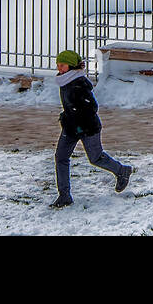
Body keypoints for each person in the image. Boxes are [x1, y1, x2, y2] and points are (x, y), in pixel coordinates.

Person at [51, 49, 132, 208]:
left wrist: (79, 120)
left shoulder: (79, 83)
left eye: (63, 65)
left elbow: (92, 107)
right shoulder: (64, 80)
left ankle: (122, 171)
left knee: (95, 158)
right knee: (61, 157)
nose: (59, 68)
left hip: (88, 128)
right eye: (58, 65)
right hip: (70, 127)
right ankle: (64, 196)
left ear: (72, 66)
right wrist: (67, 115)